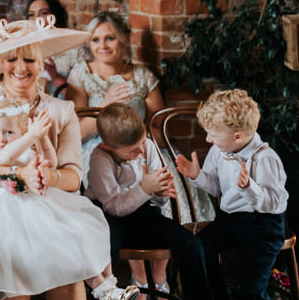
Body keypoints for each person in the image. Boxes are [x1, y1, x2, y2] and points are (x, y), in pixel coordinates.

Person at [0, 13, 103, 300]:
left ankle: (103, 287)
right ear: (0, 63)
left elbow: (73, 177)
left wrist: (47, 176)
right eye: (12, 59)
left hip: (50, 206)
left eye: (29, 59)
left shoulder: (61, 110)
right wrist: (18, 176)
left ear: (42, 64)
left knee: (69, 264)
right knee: (16, 258)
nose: (20, 68)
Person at [0, 95, 137, 300]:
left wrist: (42, 138)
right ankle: (102, 288)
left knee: (75, 232)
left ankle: (104, 287)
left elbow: (52, 161)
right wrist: (30, 136)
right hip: (5, 217)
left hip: (36, 209)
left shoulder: (27, 148)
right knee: (46, 240)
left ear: (20, 131)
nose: (0, 138)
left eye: (8, 132)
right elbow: (7, 158)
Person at [87, 103, 210, 297]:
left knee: (190, 243)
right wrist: (145, 188)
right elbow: (113, 206)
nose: (139, 153)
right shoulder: (99, 157)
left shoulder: (147, 146)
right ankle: (105, 293)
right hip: (108, 217)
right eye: (132, 151)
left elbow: (156, 196)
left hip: (143, 214)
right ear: (107, 146)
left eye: (141, 145)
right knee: (103, 250)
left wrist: (160, 194)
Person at [175, 89, 288, 300]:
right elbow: (215, 188)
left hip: (263, 225)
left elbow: (272, 203)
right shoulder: (219, 151)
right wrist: (197, 175)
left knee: (252, 290)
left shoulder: (265, 158)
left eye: (213, 135)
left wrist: (249, 188)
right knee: (198, 249)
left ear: (238, 137)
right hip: (230, 220)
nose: (208, 140)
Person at [64, 11, 165, 143]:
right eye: (95, 40)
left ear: (125, 39)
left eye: (110, 38)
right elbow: (75, 136)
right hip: (94, 152)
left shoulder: (144, 78)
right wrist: (105, 106)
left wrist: (135, 131)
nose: (103, 46)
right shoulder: (81, 74)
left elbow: (162, 136)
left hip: (138, 150)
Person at [28, 0, 86, 96]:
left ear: (55, 16)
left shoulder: (73, 49)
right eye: (31, 14)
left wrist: (54, 76)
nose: (37, 19)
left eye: (43, 13)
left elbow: (80, 97)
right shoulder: (24, 49)